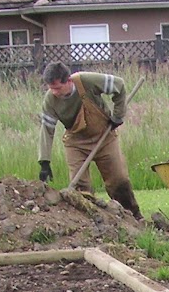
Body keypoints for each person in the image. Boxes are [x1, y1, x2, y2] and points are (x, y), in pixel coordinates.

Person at [37, 62, 141, 218]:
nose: (54, 92)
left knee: (118, 180)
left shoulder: (87, 81)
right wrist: (44, 161)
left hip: (105, 137)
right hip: (76, 144)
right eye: (51, 88)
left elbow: (119, 85)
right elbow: (47, 130)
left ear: (69, 81)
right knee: (81, 187)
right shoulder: (50, 101)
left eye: (57, 88)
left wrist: (118, 116)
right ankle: (89, 221)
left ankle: (133, 217)